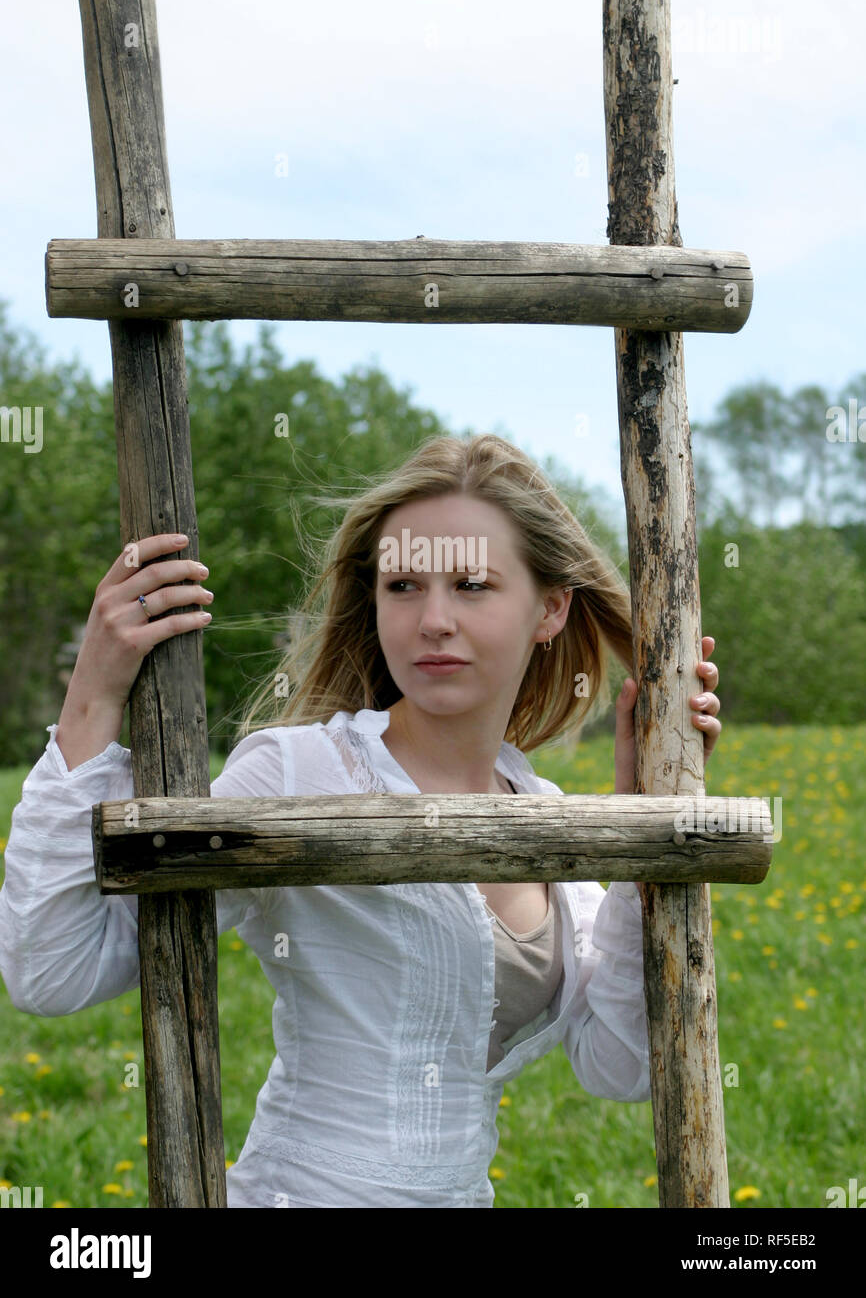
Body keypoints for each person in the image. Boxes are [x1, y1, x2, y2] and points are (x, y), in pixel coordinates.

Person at [0, 432, 721, 1208]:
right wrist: (93, 697)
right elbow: (52, 972)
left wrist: (637, 821)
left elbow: (618, 1064)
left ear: (549, 608)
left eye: (472, 585)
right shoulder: (302, 773)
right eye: (403, 585)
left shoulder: (543, 815)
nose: (433, 620)